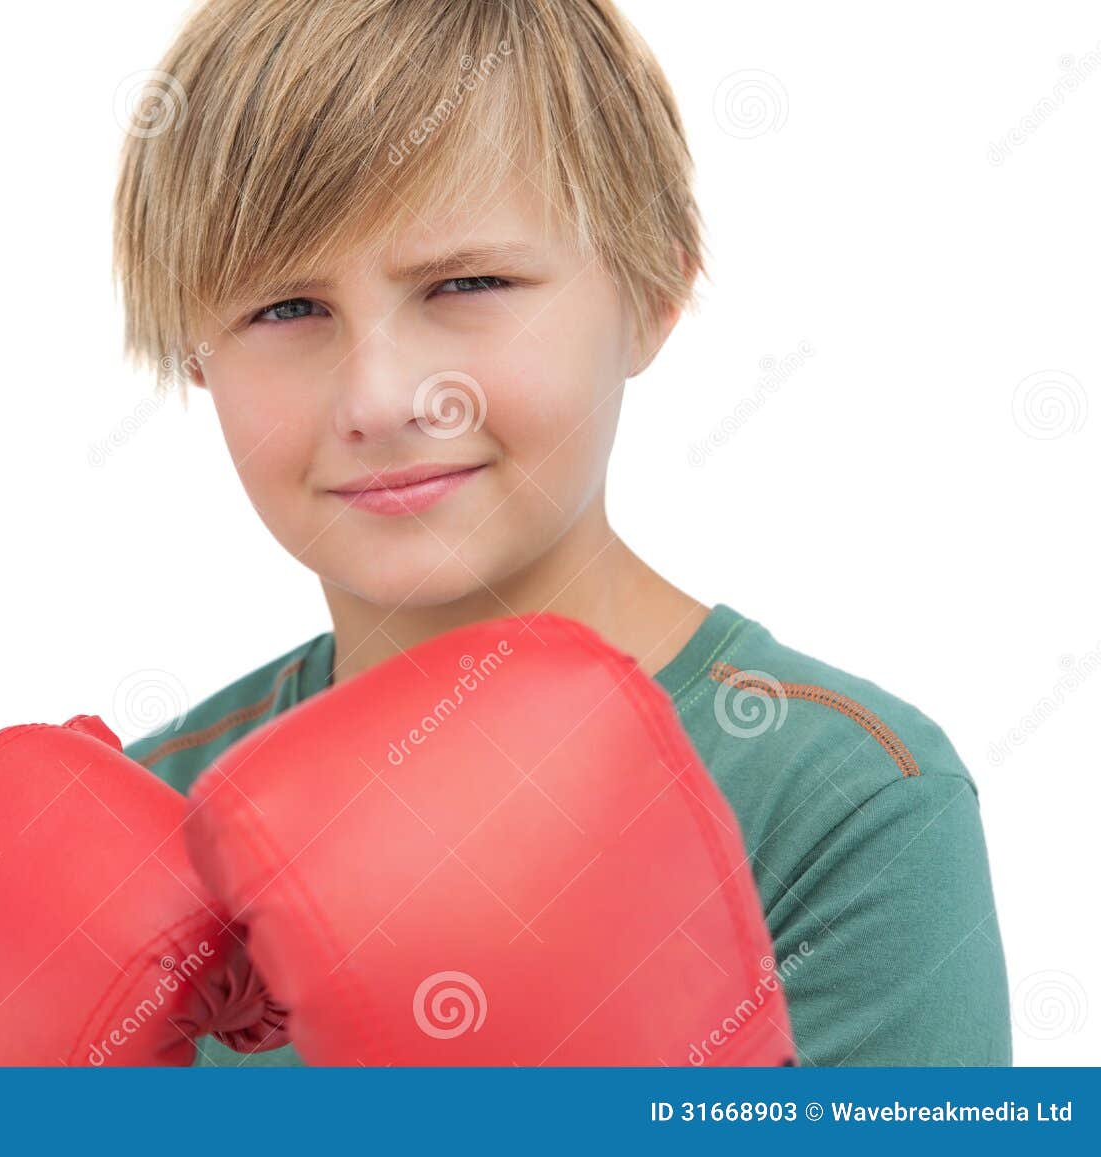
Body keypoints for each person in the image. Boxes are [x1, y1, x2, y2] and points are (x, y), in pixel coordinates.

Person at [113, 0, 1011, 1066]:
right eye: (285, 309)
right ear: (196, 351)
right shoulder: (139, 825)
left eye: (469, 284)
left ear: (655, 290)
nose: (381, 398)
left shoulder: (842, 806)